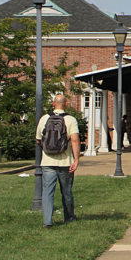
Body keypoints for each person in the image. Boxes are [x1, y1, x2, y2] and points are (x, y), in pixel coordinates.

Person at [35, 94, 80, 228]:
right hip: (65, 162)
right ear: (65, 104)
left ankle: (47, 221)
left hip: (47, 162)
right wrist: (76, 159)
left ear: (53, 104)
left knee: (48, 191)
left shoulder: (44, 119)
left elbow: (38, 139)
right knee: (66, 191)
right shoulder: (70, 120)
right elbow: (75, 140)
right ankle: (69, 217)